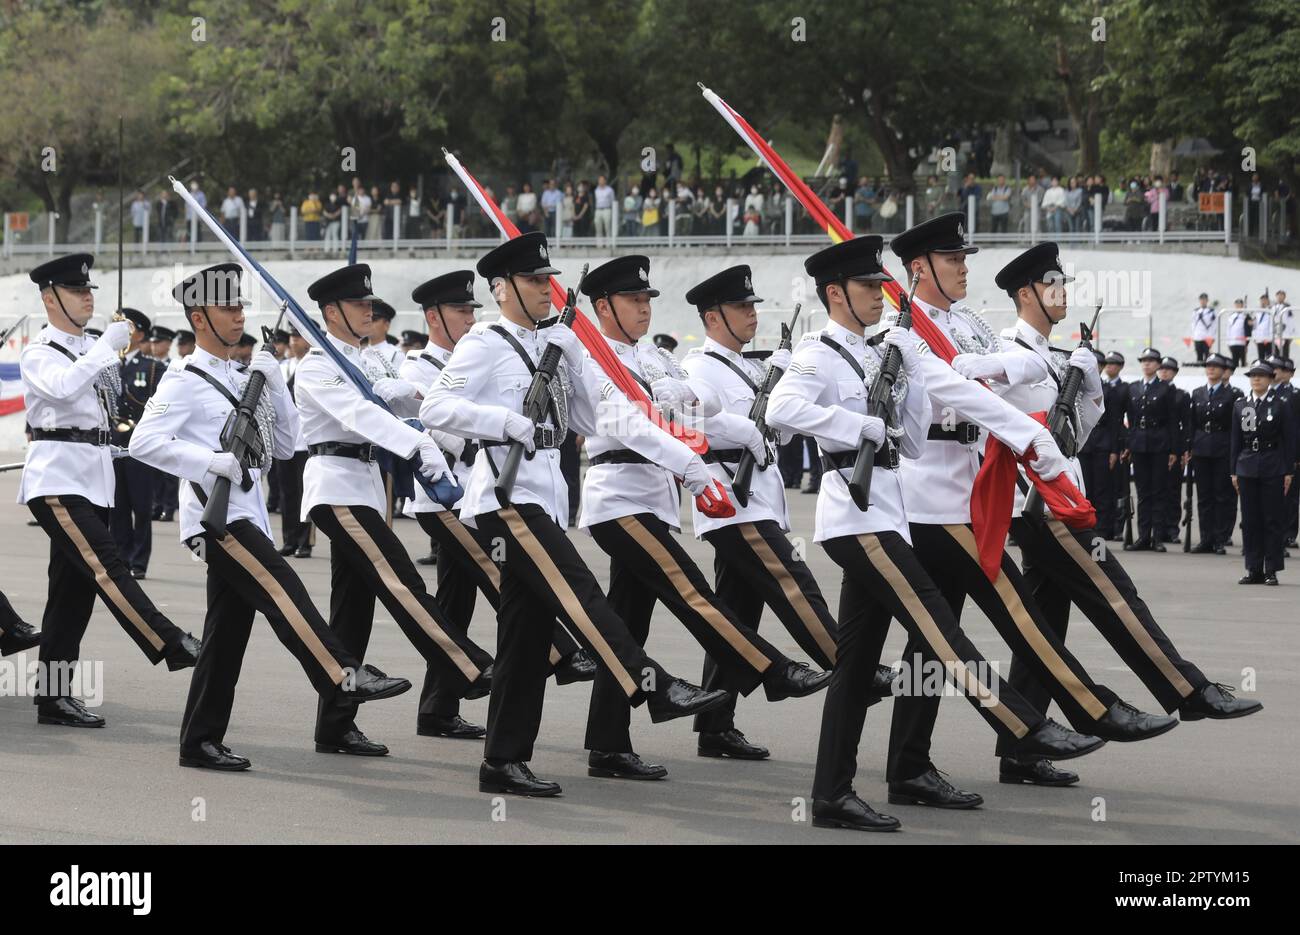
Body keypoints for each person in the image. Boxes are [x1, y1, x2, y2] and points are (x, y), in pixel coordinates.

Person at [766, 236, 1105, 831]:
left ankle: (831, 793)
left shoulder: (884, 349)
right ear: (835, 293)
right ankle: (1024, 724)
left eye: (879, 285)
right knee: (938, 625)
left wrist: (913, 393)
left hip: (888, 512)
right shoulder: (816, 353)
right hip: (854, 519)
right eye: (868, 287)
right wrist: (858, 423)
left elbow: (932, 423)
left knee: (856, 664)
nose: (879, 295)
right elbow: (781, 412)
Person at [419, 231, 731, 797]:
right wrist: (504, 422)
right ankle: (651, 685)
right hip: (505, 502)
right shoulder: (485, 341)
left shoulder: (558, 345)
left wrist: (685, 461)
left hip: (543, 502)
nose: (546, 287)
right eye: (535, 280)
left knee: (524, 635)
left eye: (547, 278)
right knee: (579, 591)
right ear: (502, 287)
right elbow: (435, 406)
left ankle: (503, 761)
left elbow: (611, 420)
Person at [887, 215, 1174, 808]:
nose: (965, 267)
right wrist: (1000, 388)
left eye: (964, 258)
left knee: (930, 646)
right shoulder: (904, 329)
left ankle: (911, 766)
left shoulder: (966, 324)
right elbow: (953, 391)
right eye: (953, 259)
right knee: (1015, 614)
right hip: (929, 493)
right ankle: (1079, 712)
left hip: (971, 493)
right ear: (920, 269)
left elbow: (1014, 370)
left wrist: (1032, 377)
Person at [984, 244, 1258, 782]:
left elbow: (1073, 439)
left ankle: (1019, 749)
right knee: (1115, 595)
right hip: (1041, 507)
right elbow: (995, 430)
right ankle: (1188, 690)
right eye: (1052, 286)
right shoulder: (1006, 353)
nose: (1063, 295)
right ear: (1025, 294)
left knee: (1045, 626)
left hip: (1059, 497)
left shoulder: (1051, 356)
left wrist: (1088, 390)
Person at [130, 262, 411, 770]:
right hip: (216, 523)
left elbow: (286, 446)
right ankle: (345, 673)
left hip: (248, 516)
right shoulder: (183, 379)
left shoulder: (243, 376)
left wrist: (272, 381)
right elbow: (142, 442)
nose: (238, 315)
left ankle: (200, 741)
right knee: (286, 591)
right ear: (199, 318)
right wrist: (209, 461)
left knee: (226, 635)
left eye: (240, 305)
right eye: (227, 307)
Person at [576, 255, 831, 779]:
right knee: (691, 591)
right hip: (618, 496)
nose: (644, 309)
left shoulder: (652, 357)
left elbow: (696, 411)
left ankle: (608, 744)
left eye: (648, 299)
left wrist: (699, 404)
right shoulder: (594, 357)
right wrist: (694, 468)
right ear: (602, 307)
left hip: (651, 498)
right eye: (633, 300)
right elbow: (630, 427)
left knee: (629, 624)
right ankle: (772, 668)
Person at [676, 265, 892, 759]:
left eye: (753, 306)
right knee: (792, 579)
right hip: (731, 499)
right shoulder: (699, 366)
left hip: (758, 498)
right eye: (740, 308)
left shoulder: (750, 365)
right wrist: (741, 425)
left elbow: (784, 434)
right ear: (713, 317)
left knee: (736, 612)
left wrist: (770, 385)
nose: (752, 315)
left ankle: (715, 724)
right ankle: (849, 662)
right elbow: (692, 413)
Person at [290, 263, 495, 756]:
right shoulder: (320, 364)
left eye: (369, 304)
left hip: (364, 486)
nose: (369, 311)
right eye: (359, 305)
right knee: (400, 576)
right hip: (334, 486)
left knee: (352, 611)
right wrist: (417, 446)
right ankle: (465, 665)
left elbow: (388, 399)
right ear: (331, 312)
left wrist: (410, 397)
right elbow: (359, 415)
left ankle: (335, 727)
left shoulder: (370, 361)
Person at [402, 270, 595, 740]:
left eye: (472, 309)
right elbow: (437, 424)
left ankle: (437, 707)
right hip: (452, 496)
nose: (470, 317)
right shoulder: (420, 366)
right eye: (460, 311)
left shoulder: (504, 349)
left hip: (490, 489)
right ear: (434, 318)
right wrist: (498, 428)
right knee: (503, 578)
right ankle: (562, 652)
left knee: (459, 597)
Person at [19, 254, 200, 729]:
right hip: (56, 479)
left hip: (93, 474)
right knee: (107, 564)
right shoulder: (41, 350)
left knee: (70, 594)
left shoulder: (91, 346)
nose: (88, 298)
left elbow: (103, 413)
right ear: (49, 297)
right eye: (77, 291)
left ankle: (53, 698)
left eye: (89, 290)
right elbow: (60, 390)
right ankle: (167, 641)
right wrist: (105, 351)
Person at [110, 308, 166, 579]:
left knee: (142, 507)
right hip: (113, 445)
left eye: (128, 327)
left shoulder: (153, 368)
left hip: (139, 446)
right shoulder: (108, 364)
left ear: (140, 333)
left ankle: (139, 561)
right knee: (118, 506)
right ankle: (121, 556)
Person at [1231, 362, 1295, 585]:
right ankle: (1253, 568)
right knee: (1250, 520)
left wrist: (1288, 470)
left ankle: (1271, 568)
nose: (1256, 379)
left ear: (1270, 378)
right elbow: (1235, 440)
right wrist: (1233, 471)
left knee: (1271, 519)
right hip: (1247, 465)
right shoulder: (1241, 405)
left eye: (1261, 376)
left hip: (1272, 465)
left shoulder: (1280, 404)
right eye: (1253, 376)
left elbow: (1289, 439)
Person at [1121, 347, 1180, 551]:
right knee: (1143, 492)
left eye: (1151, 361)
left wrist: (1174, 450)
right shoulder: (1134, 388)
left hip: (1159, 443)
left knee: (1158, 491)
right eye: (1144, 360)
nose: (1147, 364)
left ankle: (1157, 537)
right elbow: (1130, 419)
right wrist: (1128, 445)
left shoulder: (1166, 388)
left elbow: (1173, 421)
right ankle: (1143, 536)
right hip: (1139, 443)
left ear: (1157, 365)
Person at [1189, 353, 1242, 553]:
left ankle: (1220, 538)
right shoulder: (1198, 393)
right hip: (1202, 448)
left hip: (1222, 448)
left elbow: (1235, 426)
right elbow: (1192, 423)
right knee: (1204, 496)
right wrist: (1190, 447)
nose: (1211, 369)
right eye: (1208, 365)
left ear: (1223, 370)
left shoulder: (1233, 394)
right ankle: (1206, 538)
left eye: (1215, 366)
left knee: (1221, 496)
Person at [275, 326, 314, 558]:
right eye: (292, 337)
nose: (293, 342)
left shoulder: (313, 367)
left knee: (304, 493)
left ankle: (305, 541)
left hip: (306, 440)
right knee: (286, 493)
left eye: (298, 337)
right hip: (285, 440)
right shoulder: (282, 368)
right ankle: (289, 540)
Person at [1157, 356, 1191, 543]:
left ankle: (1172, 528)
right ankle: (1159, 527)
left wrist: (1184, 449)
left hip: (1174, 447)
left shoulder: (1181, 395)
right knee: (1158, 490)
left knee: (1173, 490)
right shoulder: (1151, 392)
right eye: (1162, 368)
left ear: (1175, 373)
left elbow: (1185, 424)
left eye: (1169, 369)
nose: (1164, 371)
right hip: (1157, 447)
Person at [1190, 293, 1217, 363]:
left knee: (1207, 356)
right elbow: (1193, 324)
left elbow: (1214, 325)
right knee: (1199, 356)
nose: (1203, 301)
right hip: (1198, 336)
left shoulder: (1211, 311)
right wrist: (1193, 336)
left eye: (1204, 300)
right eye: (1201, 300)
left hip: (1207, 336)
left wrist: (1213, 337)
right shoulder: (1195, 311)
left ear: (1207, 301)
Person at [1255, 293, 1274, 362]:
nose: (1263, 302)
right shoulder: (1257, 311)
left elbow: (1272, 324)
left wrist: (1270, 337)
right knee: (1261, 356)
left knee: (1269, 356)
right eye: (1262, 300)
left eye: (1265, 300)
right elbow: (1255, 325)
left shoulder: (1271, 310)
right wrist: (1255, 337)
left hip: (1268, 338)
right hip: (1259, 337)